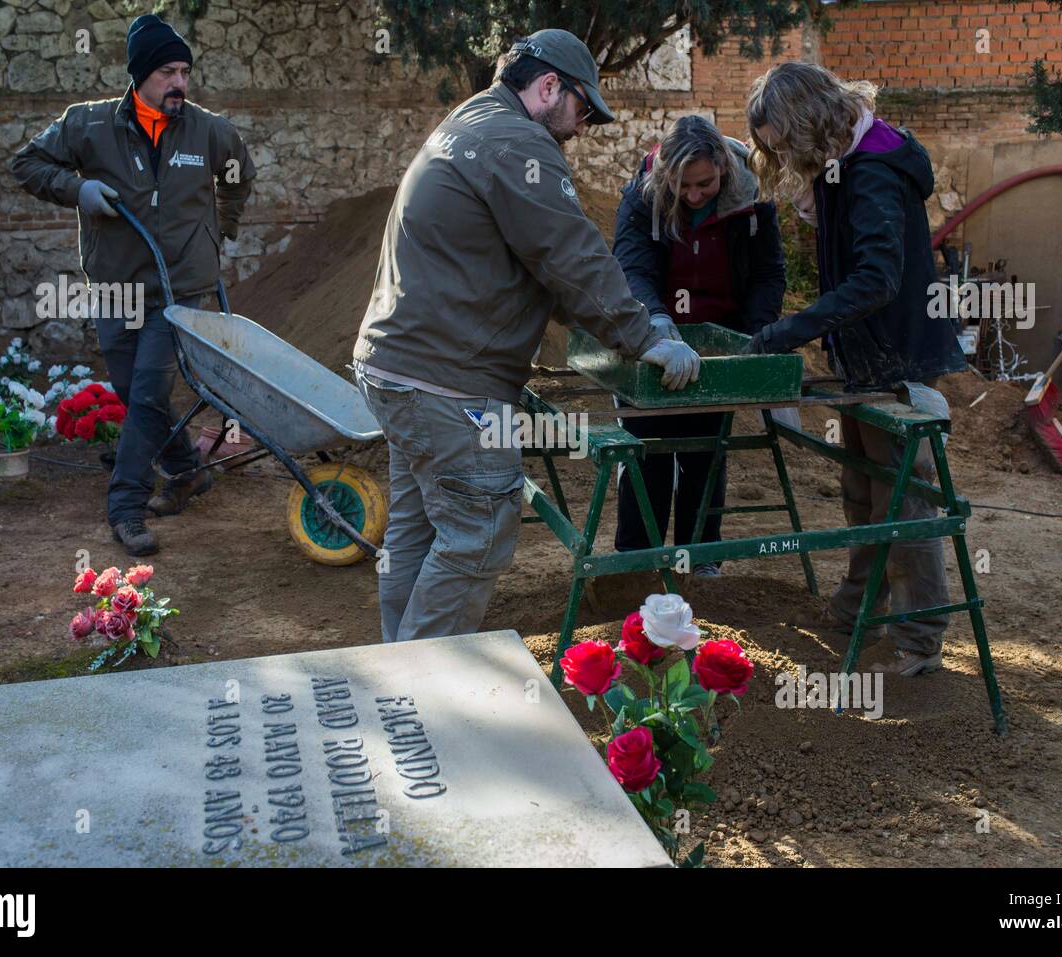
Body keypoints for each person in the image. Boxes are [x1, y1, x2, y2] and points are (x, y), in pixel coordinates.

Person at [353, 29, 701, 644]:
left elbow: (534, 262)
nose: (582, 126)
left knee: (419, 529)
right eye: (581, 109)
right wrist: (646, 336)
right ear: (548, 87)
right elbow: (570, 254)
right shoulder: (518, 143)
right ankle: (420, 695)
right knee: (478, 531)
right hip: (447, 381)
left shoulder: (472, 120)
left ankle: (396, 674)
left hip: (398, 367)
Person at [745, 62, 967, 676]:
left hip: (897, 355)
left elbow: (876, 278)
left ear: (809, 122)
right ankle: (860, 606)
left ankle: (918, 639)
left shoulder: (870, 170)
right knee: (864, 491)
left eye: (785, 142)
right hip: (864, 356)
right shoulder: (846, 160)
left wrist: (791, 329)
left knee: (905, 502)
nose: (783, 155)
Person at [11, 13, 255, 556]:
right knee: (130, 389)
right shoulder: (89, 125)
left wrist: (220, 231)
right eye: (168, 71)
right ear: (141, 74)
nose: (180, 84)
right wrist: (77, 189)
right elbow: (26, 163)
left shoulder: (209, 130)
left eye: (186, 72)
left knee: (148, 391)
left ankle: (124, 506)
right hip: (117, 288)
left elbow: (239, 174)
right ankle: (188, 469)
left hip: (179, 292)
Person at [612, 115, 787, 576]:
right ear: (666, 175)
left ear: (724, 171)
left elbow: (768, 273)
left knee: (705, 453)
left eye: (704, 184)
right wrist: (657, 325)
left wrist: (755, 336)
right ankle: (637, 564)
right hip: (654, 339)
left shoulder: (752, 199)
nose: (693, 195)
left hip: (718, 339)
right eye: (683, 186)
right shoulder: (641, 196)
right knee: (644, 451)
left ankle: (702, 560)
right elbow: (631, 269)